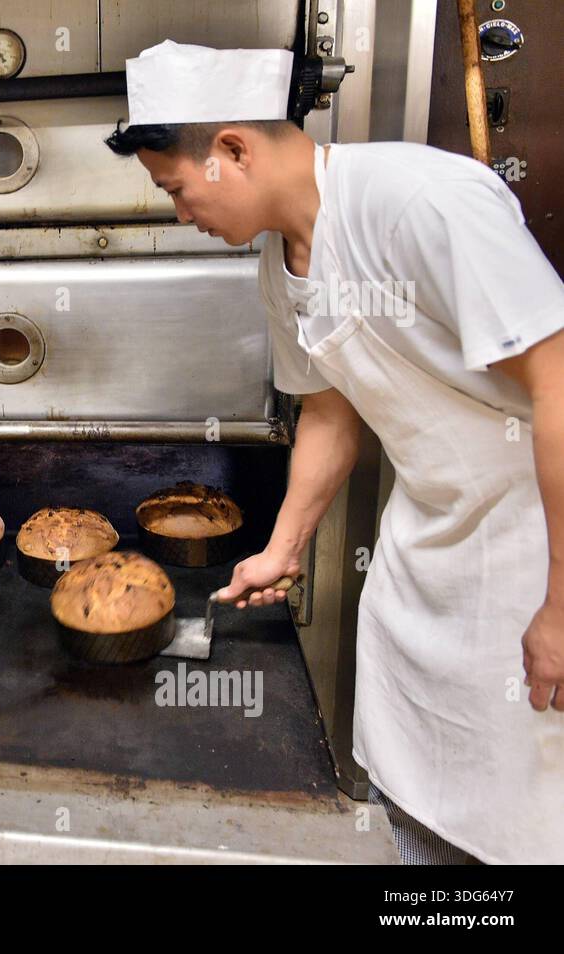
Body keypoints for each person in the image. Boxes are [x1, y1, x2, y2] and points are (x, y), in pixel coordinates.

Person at [105, 40, 564, 863]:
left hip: (539, 548)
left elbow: (558, 381)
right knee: (414, 783)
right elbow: (329, 414)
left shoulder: (419, 200)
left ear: (233, 151)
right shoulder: (281, 265)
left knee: (529, 814)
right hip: (428, 545)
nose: (180, 213)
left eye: (176, 189)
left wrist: (562, 602)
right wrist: (280, 550)